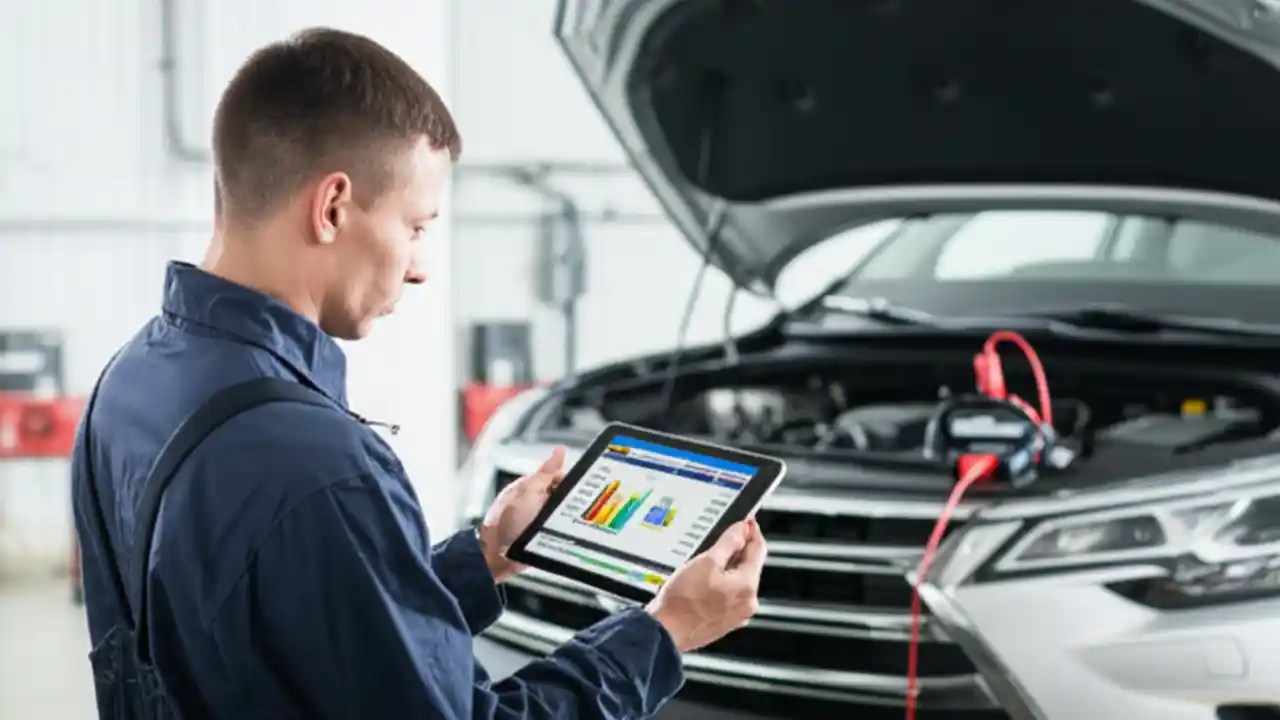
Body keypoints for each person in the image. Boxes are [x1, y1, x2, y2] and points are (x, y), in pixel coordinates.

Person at [70, 26, 767, 720]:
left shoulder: (130, 383)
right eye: (416, 225)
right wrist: (663, 633)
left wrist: (486, 554)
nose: (419, 266)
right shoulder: (321, 466)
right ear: (333, 207)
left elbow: (294, 631)